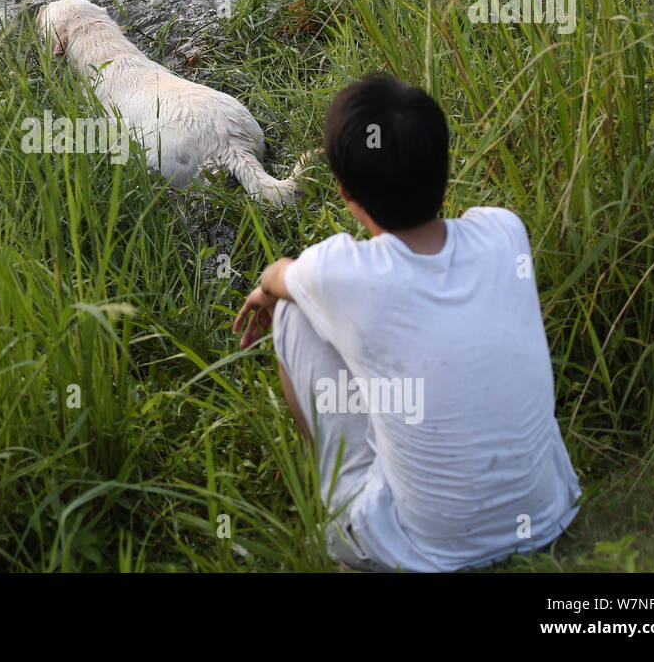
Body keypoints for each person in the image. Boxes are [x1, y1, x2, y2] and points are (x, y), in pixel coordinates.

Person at [232, 74, 581, 571]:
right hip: (549, 512)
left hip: (421, 551)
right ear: (442, 165)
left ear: (344, 191)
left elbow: (276, 277)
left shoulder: (339, 272)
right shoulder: (505, 231)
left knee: (292, 311)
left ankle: (339, 503)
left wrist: (265, 293)